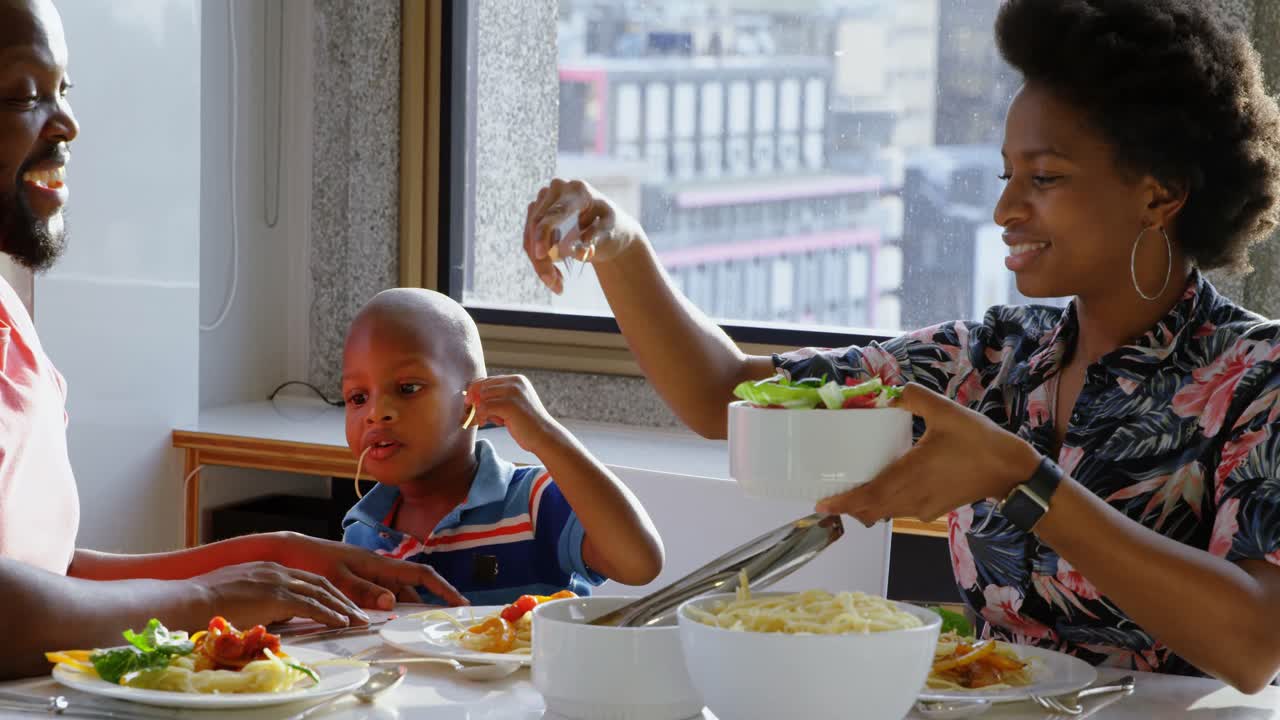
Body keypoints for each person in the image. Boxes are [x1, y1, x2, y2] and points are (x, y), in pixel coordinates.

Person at [521, 0, 1280, 693]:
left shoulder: (1256, 377)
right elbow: (725, 395)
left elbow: (1252, 647)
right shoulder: (992, 359)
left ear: (1159, 193)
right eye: (1007, 174)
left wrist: (1021, 478)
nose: (1005, 208)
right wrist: (621, 244)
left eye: (1045, 177)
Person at [0, 0, 464, 680]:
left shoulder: (10, 314)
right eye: (23, 95)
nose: (67, 123)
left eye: (63, 90)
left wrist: (274, 557)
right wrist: (206, 600)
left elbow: (48, 575)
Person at [339, 288, 663, 604]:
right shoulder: (361, 534)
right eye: (358, 397)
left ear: (474, 399)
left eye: (408, 388)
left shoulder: (534, 501)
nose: (375, 412)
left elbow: (639, 564)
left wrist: (546, 434)